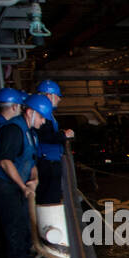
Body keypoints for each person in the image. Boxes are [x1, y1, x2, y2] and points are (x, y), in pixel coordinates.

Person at [0, 93, 52, 258]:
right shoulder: (13, 130)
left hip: (12, 181)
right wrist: (23, 186)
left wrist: (34, 179)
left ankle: (26, 256)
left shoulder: (30, 133)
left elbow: (31, 161)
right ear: (30, 112)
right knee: (14, 221)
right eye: (41, 117)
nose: (43, 122)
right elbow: (5, 162)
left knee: (23, 219)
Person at [32, 80, 74, 208]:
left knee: (51, 196)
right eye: (58, 96)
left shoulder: (47, 114)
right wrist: (63, 135)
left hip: (48, 160)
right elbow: (44, 135)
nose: (59, 99)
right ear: (49, 96)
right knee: (49, 199)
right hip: (47, 162)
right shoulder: (43, 114)